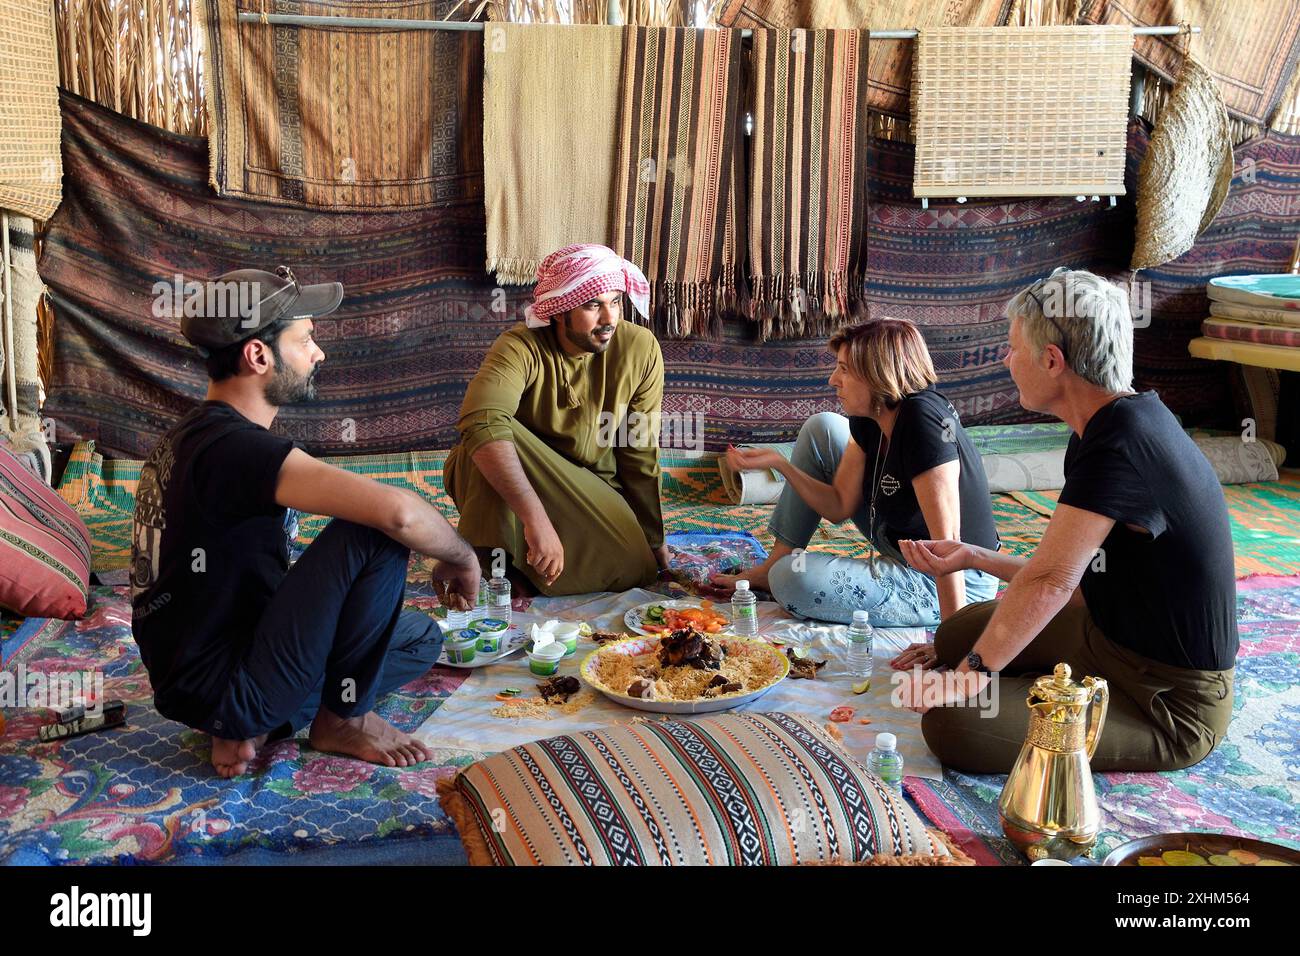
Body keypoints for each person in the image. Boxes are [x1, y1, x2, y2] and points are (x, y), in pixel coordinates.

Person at [131, 266, 481, 778]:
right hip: (225, 681)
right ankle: (341, 721)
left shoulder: (196, 434)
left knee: (419, 639)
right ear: (258, 355)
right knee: (373, 531)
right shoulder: (236, 449)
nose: (318, 354)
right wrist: (463, 555)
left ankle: (254, 725)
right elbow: (398, 513)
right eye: (306, 339)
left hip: (213, 673)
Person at [895, 269, 1237, 773]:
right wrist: (974, 557)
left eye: (1012, 349)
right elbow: (1071, 573)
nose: (1006, 361)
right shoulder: (1106, 425)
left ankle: (1035, 693)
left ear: (1052, 360)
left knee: (954, 723)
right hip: (1105, 634)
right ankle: (1032, 683)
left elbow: (1053, 582)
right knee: (954, 637)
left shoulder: (1122, 444)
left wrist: (969, 677)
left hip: (1168, 701)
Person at [711, 318, 1000, 626]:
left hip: (955, 579)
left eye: (845, 369)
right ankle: (773, 565)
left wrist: (952, 638)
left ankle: (779, 573)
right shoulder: (871, 414)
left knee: (791, 578)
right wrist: (782, 465)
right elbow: (838, 507)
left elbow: (949, 546)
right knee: (821, 426)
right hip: (899, 540)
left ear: (878, 374)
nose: (833, 379)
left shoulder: (923, 422)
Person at [444, 244, 668, 597]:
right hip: (517, 485)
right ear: (560, 311)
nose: (609, 319)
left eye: (615, 302)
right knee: (486, 430)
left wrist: (654, 540)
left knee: (634, 569)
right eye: (593, 305)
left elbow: (638, 450)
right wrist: (537, 521)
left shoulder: (639, 349)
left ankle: (525, 565)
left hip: (590, 486)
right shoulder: (521, 346)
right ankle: (489, 562)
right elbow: (480, 420)